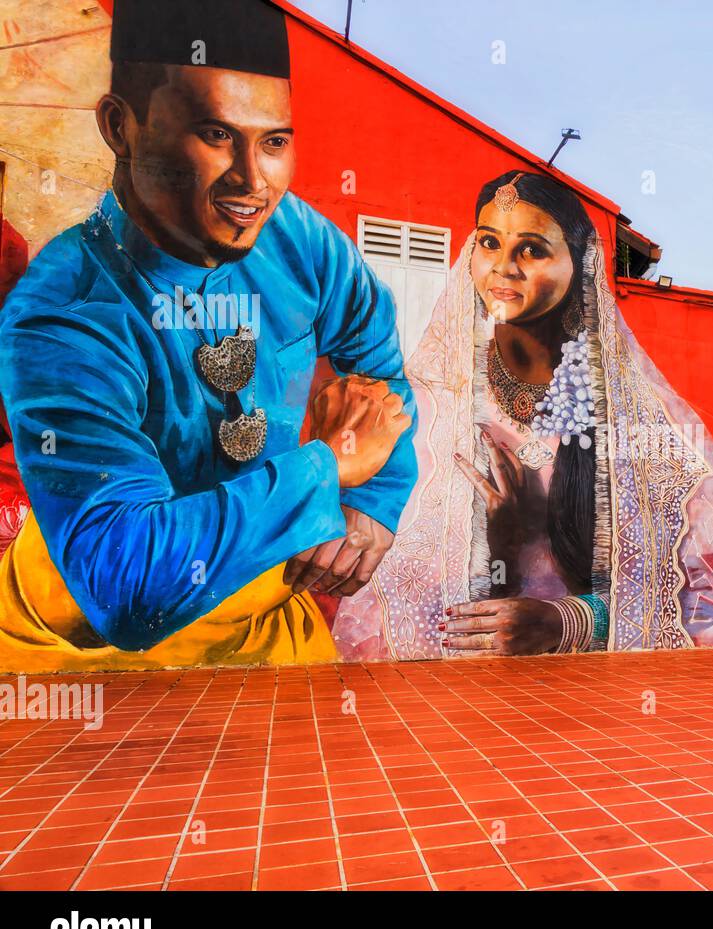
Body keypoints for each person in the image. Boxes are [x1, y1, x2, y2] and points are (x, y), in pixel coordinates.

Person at [0, 0, 416, 669]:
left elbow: (379, 366)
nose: (252, 181)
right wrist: (329, 467)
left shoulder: (296, 238)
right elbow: (125, 582)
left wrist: (374, 497)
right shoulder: (66, 311)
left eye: (274, 142)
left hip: (270, 626)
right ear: (120, 127)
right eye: (216, 134)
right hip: (94, 657)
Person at [332, 171, 713, 659]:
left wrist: (569, 621)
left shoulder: (645, 425)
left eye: (531, 250)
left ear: (580, 264)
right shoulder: (422, 411)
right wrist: (499, 549)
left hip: (592, 698)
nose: (503, 268)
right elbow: (370, 600)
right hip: (443, 698)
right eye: (489, 242)